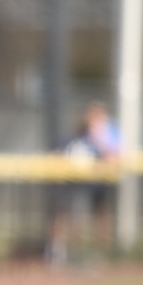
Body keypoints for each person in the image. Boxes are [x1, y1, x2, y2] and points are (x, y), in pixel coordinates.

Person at [47, 99, 120, 266]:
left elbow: (114, 157)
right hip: (74, 184)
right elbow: (58, 154)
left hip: (97, 184)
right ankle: (61, 253)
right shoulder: (75, 138)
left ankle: (97, 255)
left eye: (98, 116)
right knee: (70, 216)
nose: (93, 119)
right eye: (92, 115)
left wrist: (101, 142)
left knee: (99, 217)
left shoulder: (107, 135)